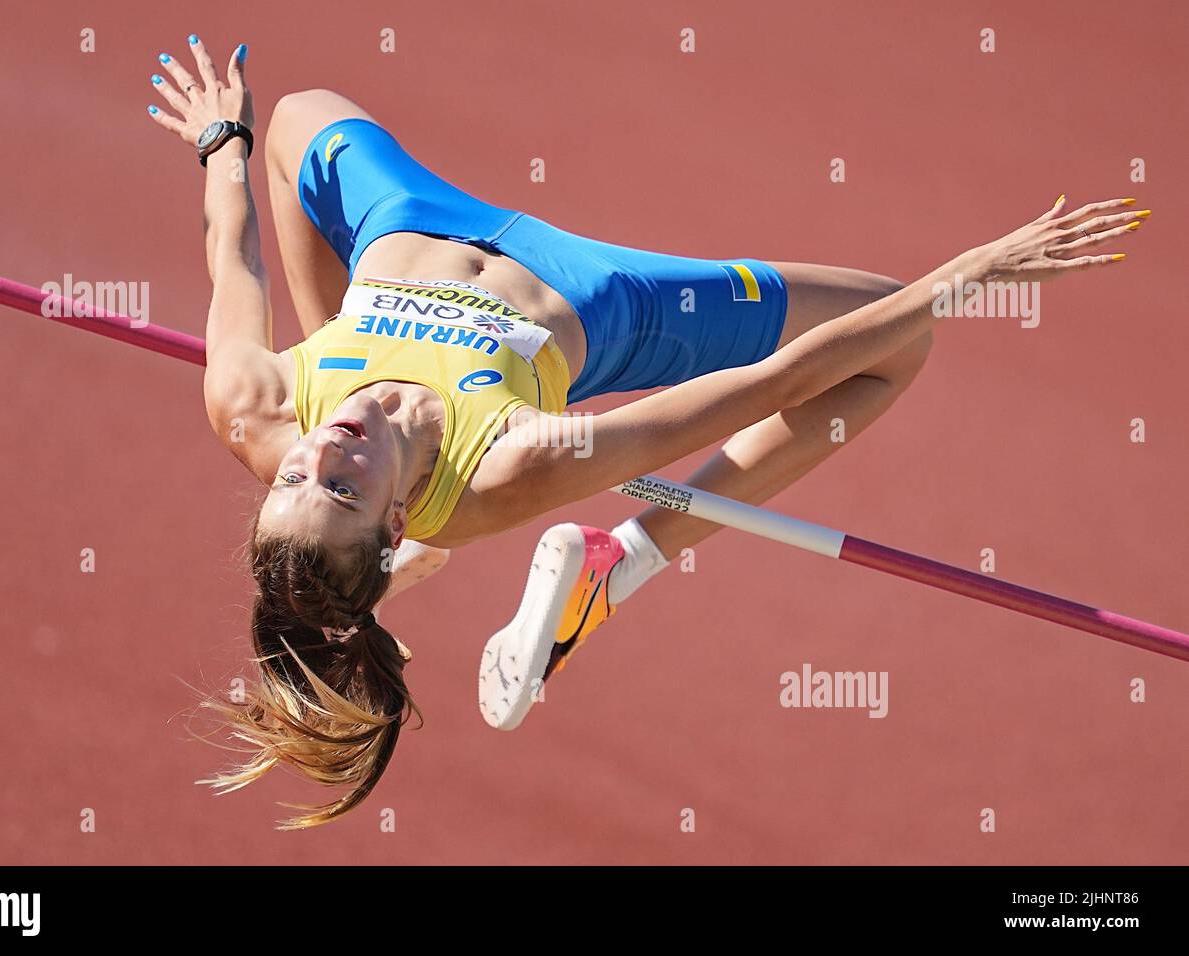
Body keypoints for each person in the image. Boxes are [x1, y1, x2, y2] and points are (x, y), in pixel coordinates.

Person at [146, 36, 1146, 826]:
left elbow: (234, 253)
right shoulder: (515, 462)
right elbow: (778, 381)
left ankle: (413, 556)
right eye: (341, 485)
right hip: (600, 300)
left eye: (293, 480)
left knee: (293, 119)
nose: (322, 451)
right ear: (395, 508)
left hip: (402, 217)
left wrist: (218, 144)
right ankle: (622, 564)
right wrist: (967, 273)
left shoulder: (258, 406)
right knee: (890, 330)